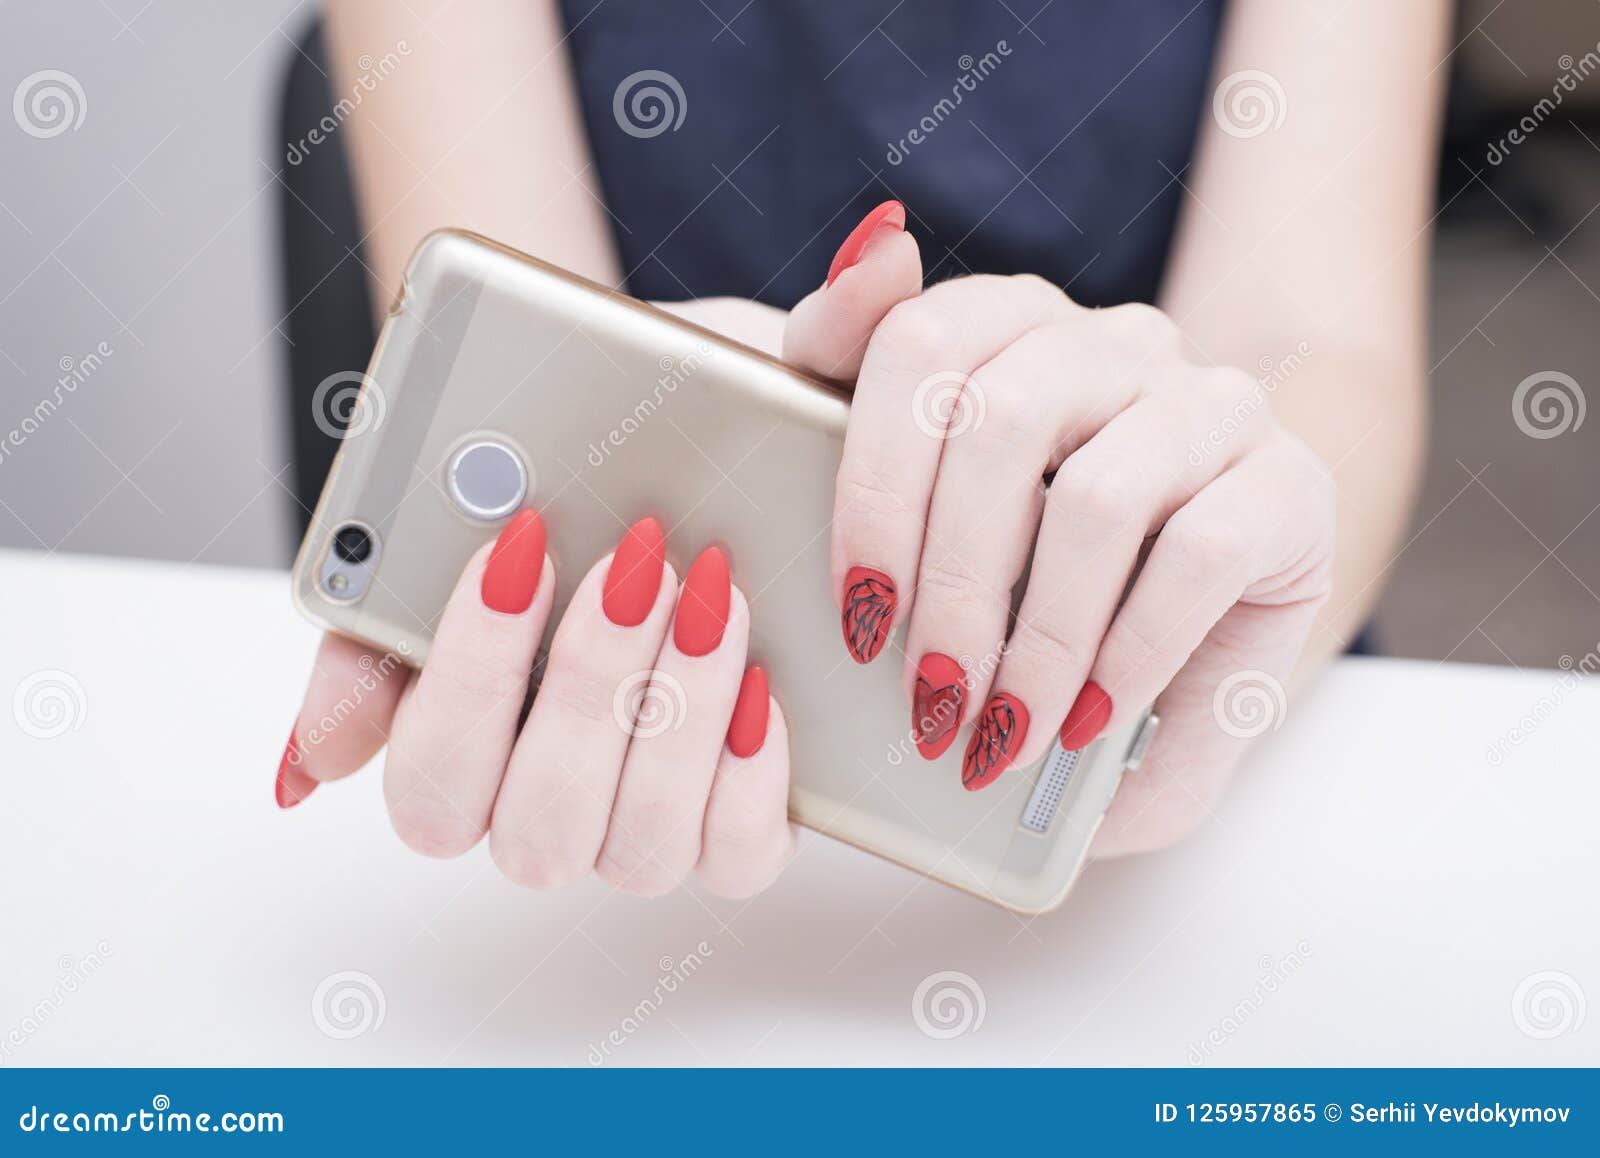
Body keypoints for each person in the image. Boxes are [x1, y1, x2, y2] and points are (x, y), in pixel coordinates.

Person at [276, 0, 1447, 900]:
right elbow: (509, 347)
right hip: (686, 688)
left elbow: (1316, 345)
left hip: (1158, 674)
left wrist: (1235, 539)